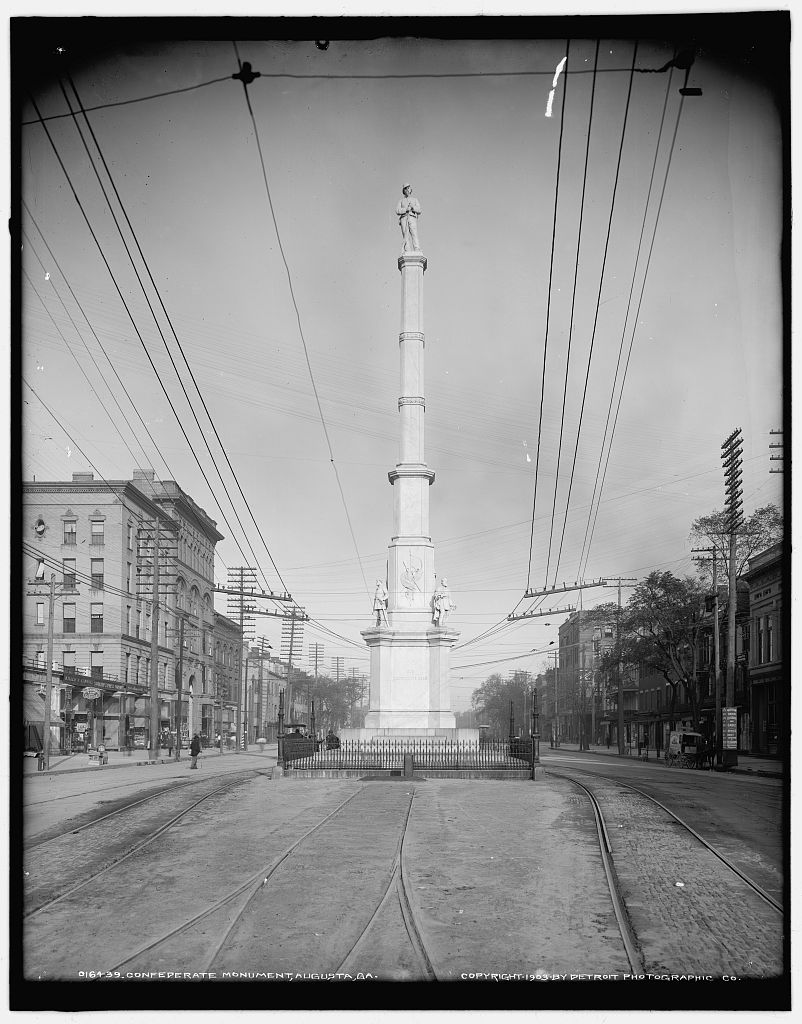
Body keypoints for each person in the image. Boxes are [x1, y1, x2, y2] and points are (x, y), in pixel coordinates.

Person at [396, 183, 421, 252]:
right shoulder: (401, 201)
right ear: (403, 191)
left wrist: (413, 208)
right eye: (405, 189)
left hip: (412, 217)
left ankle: (417, 248)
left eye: (408, 188)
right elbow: (397, 210)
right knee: (405, 235)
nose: (407, 190)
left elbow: (419, 210)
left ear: (410, 190)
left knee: (414, 233)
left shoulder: (415, 200)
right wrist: (405, 210)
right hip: (404, 218)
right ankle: (407, 249)